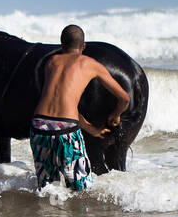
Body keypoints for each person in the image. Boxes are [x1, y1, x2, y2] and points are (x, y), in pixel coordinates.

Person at [29, 24, 131, 191]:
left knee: (47, 189)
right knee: (81, 189)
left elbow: (62, 105)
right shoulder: (90, 64)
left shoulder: (51, 62)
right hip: (66, 130)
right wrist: (116, 114)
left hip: (39, 127)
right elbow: (124, 98)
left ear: (61, 45)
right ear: (84, 46)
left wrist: (91, 129)